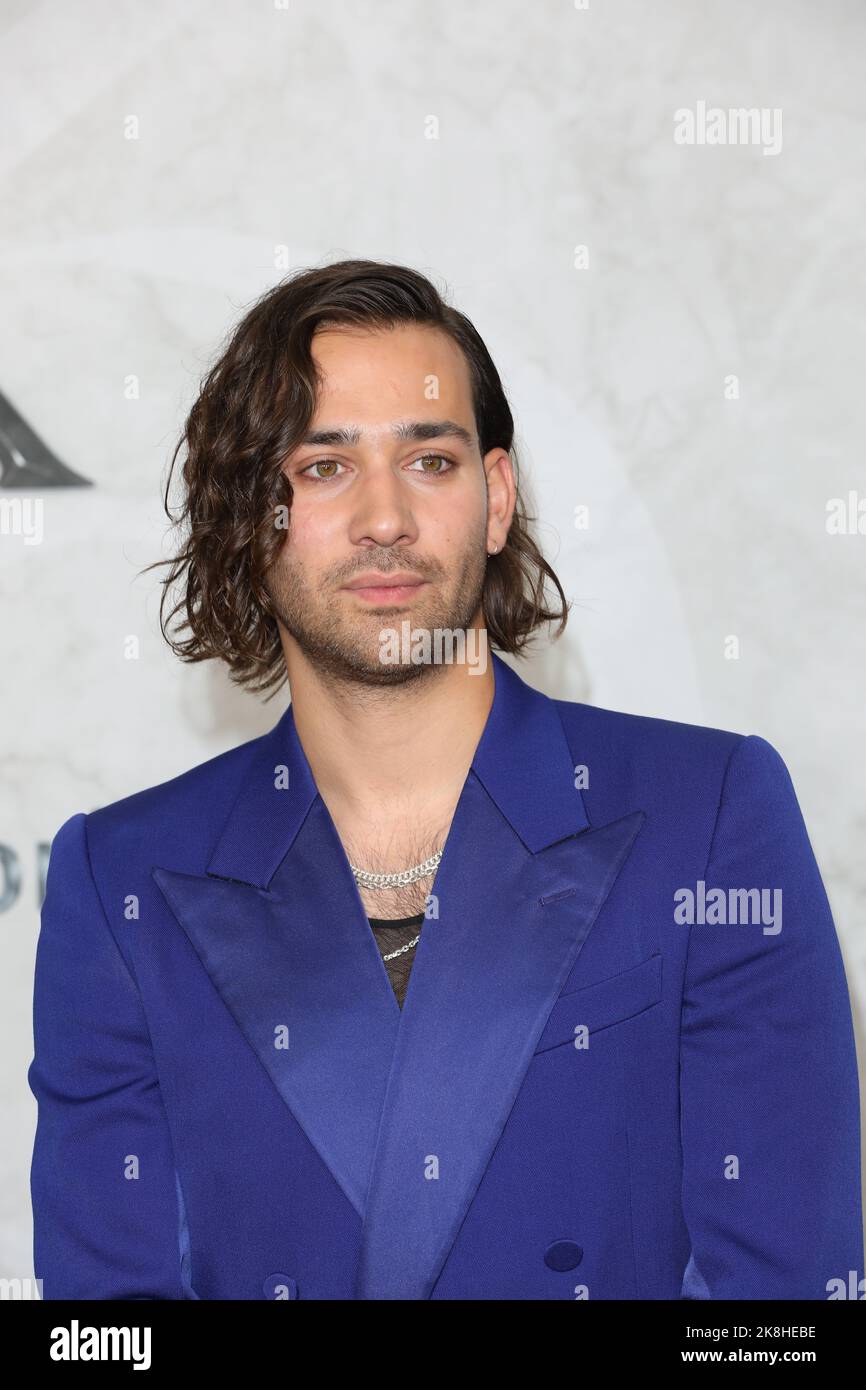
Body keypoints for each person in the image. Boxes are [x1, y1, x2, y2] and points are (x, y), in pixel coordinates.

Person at [27, 259, 863, 1300]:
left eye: (428, 459)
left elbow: (777, 1300)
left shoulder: (708, 813)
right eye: (323, 468)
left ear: (496, 498)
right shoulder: (124, 881)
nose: (384, 518)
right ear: (251, 517)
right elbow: (114, 1320)